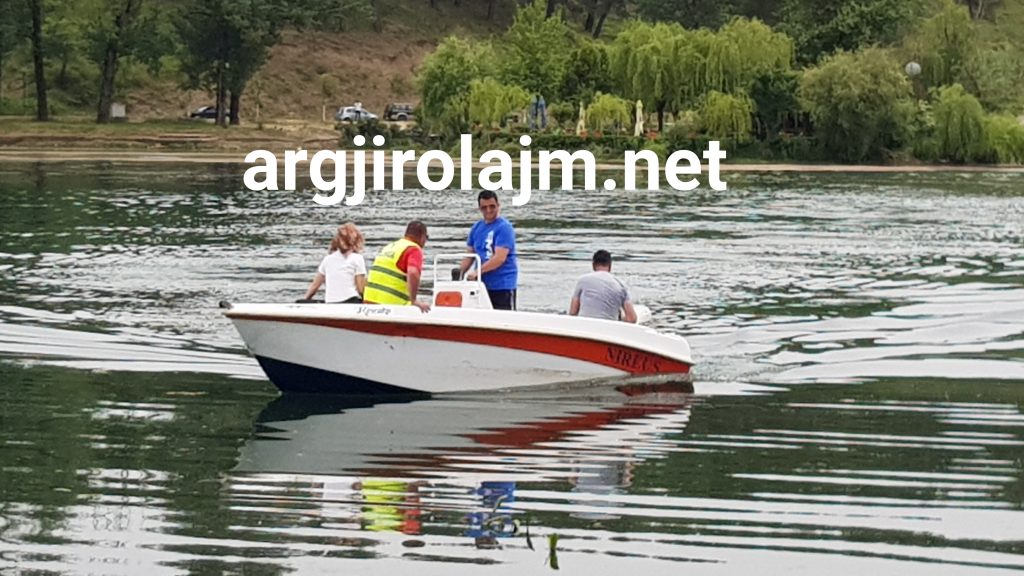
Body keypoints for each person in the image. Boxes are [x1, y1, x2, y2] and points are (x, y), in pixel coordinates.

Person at [460, 190, 518, 310]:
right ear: (479, 209)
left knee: (504, 321)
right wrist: (459, 273)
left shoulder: (504, 228)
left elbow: (499, 258)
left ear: (498, 205)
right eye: (484, 207)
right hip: (481, 286)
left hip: (502, 285)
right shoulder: (476, 227)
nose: (489, 210)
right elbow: (469, 255)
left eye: (492, 206)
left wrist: (477, 272)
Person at [363, 220, 431, 312]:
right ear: (422, 236)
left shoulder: (390, 246)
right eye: (427, 237)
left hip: (368, 303)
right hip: (390, 306)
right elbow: (413, 272)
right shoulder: (413, 249)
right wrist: (414, 300)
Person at [303, 222, 367, 303]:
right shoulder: (357, 258)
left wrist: (305, 300)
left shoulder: (327, 259)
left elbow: (314, 286)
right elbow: (360, 289)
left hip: (330, 302)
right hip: (350, 302)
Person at [568, 250, 637, 323]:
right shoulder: (621, 285)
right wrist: (621, 319)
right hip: (608, 328)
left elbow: (573, 312)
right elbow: (632, 319)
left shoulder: (582, 280)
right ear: (610, 266)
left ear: (593, 266)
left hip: (585, 326)